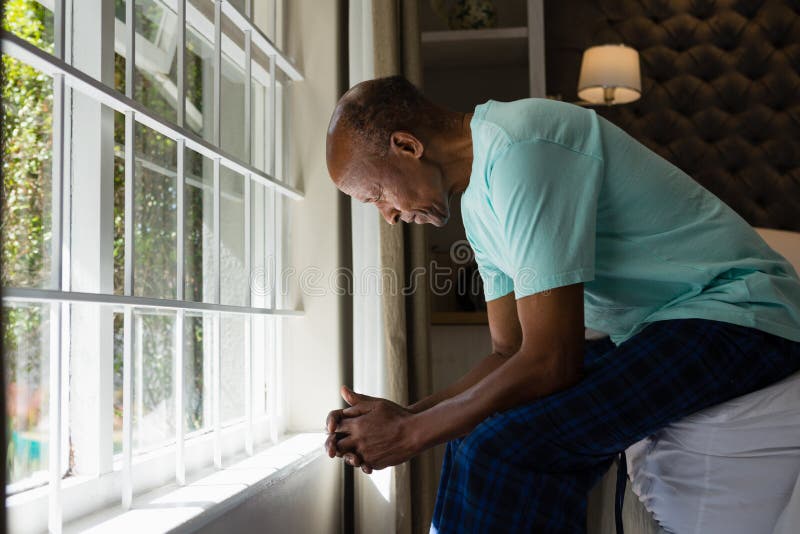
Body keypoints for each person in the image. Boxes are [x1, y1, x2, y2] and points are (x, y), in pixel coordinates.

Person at [323, 75, 800, 533]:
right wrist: (411, 416)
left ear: (407, 146)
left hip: (739, 312)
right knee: (471, 435)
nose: (388, 216)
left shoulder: (524, 147)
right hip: (663, 324)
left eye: (378, 195)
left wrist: (412, 435)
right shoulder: (478, 207)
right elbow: (508, 354)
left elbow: (552, 360)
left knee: (506, 448)